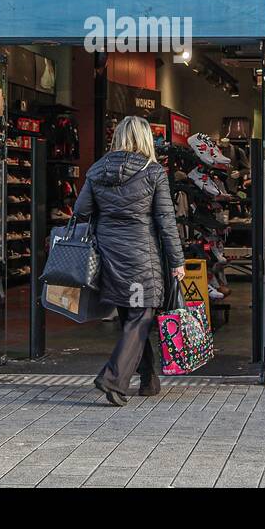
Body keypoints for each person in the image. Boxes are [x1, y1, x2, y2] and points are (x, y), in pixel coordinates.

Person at [73, 115, 185, 406]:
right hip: (141, 256)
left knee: (132, 317)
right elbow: (166, 220)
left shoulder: (97, 170)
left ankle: (149, 380)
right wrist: (177, 261)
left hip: (108, 256)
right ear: (145, 138)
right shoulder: (153, 172)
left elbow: (81, 209)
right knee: (141, 316)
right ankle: (112, 380)